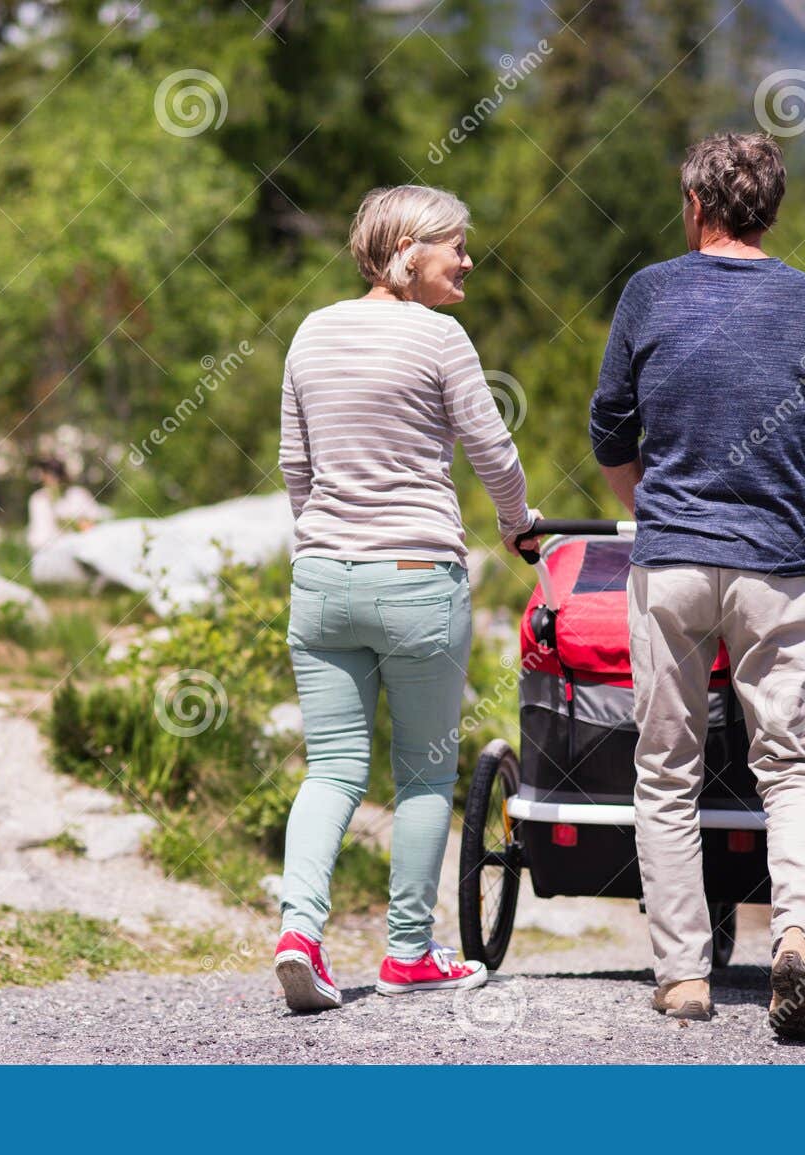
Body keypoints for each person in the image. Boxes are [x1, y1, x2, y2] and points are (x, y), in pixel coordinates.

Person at [589, 133, 805, 1040]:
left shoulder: (651, 292)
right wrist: (779, 499)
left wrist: (655, 511)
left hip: (669, 562)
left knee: (666, 770)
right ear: (772, 207)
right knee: (788, 766)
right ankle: (794, 936)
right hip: (777, 563)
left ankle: (683, 976)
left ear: (696, 205)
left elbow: (609, 429)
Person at [273, 185, 540, 1012]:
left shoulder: (313, 330)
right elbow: (492, 451)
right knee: (423, 772)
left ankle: (298, 935)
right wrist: (517, 523)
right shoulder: (440, 336)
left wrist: (325, 537)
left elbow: (294, 465)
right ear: (405, 252)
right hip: (416, 579)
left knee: (331, 770)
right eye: (452, 246)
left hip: (322, 581)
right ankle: (409, 953)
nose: (466, 260)